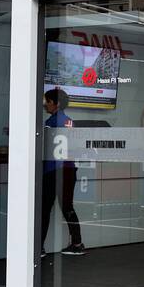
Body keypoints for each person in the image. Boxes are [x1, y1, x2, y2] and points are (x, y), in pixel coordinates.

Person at [42, 87, 86, 256]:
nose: (46, 105)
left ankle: (39, 248)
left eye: (48, 101)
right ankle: (77, 243)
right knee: (67, 206)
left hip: (53, 170)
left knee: (45, 208)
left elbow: (43, 146)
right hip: (69, 169)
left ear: (56, 103)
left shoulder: (50, 123)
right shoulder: (69, 121)